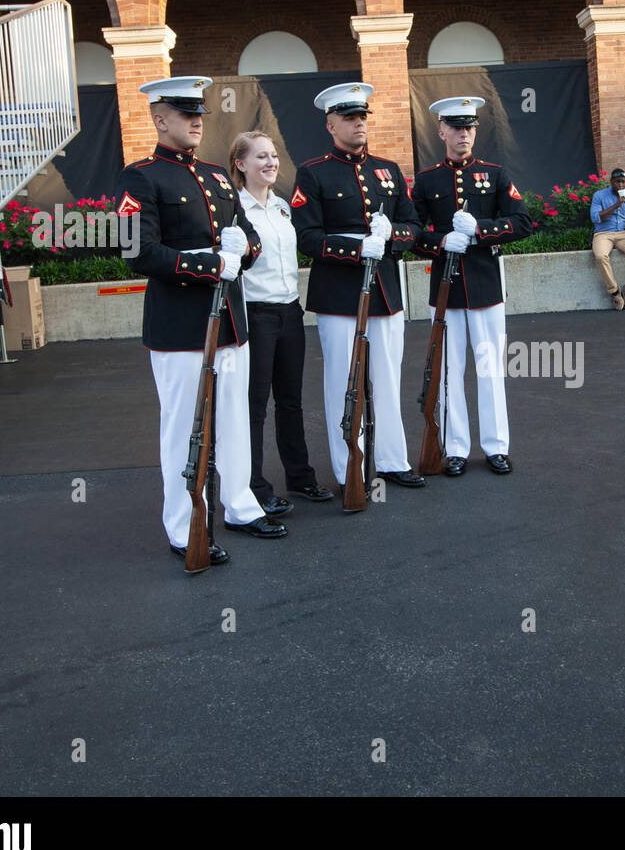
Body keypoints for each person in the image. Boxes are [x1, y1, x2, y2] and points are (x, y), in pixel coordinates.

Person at [116, 76, 288, 570]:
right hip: (181, 329)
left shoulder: (215, 176)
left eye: (199, 113)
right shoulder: (141, 178)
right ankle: (182, 524)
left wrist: (243, 250)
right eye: (184, 112)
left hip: (232, 323)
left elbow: (250, 238)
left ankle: (240, 505)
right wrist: (211, 263)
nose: (196, 121)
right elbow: (136, 251)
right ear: (159, 118)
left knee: (234, 421)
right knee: (183, 431)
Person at [291, 82, 425, 497]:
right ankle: (349, 463)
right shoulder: (313, 173)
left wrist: (394, 234)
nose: (358, 123)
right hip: (338, 293)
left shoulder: (388, 169)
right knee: (342, 382)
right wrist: (354, 246)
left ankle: (391, 459)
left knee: (386, 377)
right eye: (349, 118)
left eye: (362, 116)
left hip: (384, 290)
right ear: (331, 124)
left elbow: (415, 228)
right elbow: (308, 237)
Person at [411, 96, 531, 477]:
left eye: (470, 127)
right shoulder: (428, 180)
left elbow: (522, 223)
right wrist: (442, 240)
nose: (464, 134)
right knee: (448, 372)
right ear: (442, 131)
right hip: (445, 289)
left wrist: (481, 230)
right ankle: (456, 448)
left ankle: (496, 446)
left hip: (484, 286)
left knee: (490, 369)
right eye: (456, 127)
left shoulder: (495, 174)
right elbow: (412, 233)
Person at [230, 131, 333, 515]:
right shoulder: (235, 210)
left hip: (290, 311)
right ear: (241, 165)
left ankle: (300, 477)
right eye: (261, 157)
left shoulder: (282, 207)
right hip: (256, 315)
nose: (271, 162)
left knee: (290, 401)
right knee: (255, 405)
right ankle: (254, 486)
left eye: (273, 155)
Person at [589, 168, 625, 310]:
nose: (620, 185)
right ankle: (614, 291)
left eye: (623, 182)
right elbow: (595, 218)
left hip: (622, 234)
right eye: (617, 182)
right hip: (603, 233)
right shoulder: (599, 195)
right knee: (601, 256)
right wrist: (616, 205)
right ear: (611, 182)